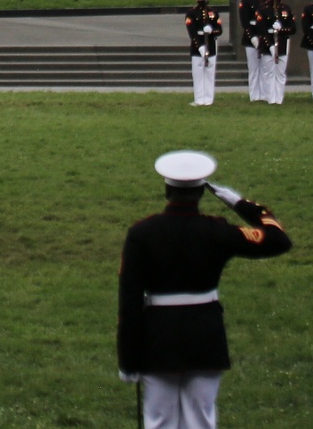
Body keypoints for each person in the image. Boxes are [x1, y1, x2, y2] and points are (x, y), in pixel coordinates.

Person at [116, 150, 291, 429]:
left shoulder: (142, 233)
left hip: (157, 338)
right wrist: (239, 203)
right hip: (204, 334)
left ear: (166, 189)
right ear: (201, 193)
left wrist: (127, 358)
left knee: (159, 421)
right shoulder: (216, 230)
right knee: (201, 419)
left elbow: (129, 302)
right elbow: (278, 239)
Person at [183, 0, 220, 106]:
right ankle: (199, 99)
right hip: (197, 47)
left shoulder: (213, 12)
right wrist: (200, 47)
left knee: (210, 74)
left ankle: (208, 99)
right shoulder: (191, 13)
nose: (201, 0)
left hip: (211, 46)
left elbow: (219, 30)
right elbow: (192, 32)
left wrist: (212, 31)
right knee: (198, 74)